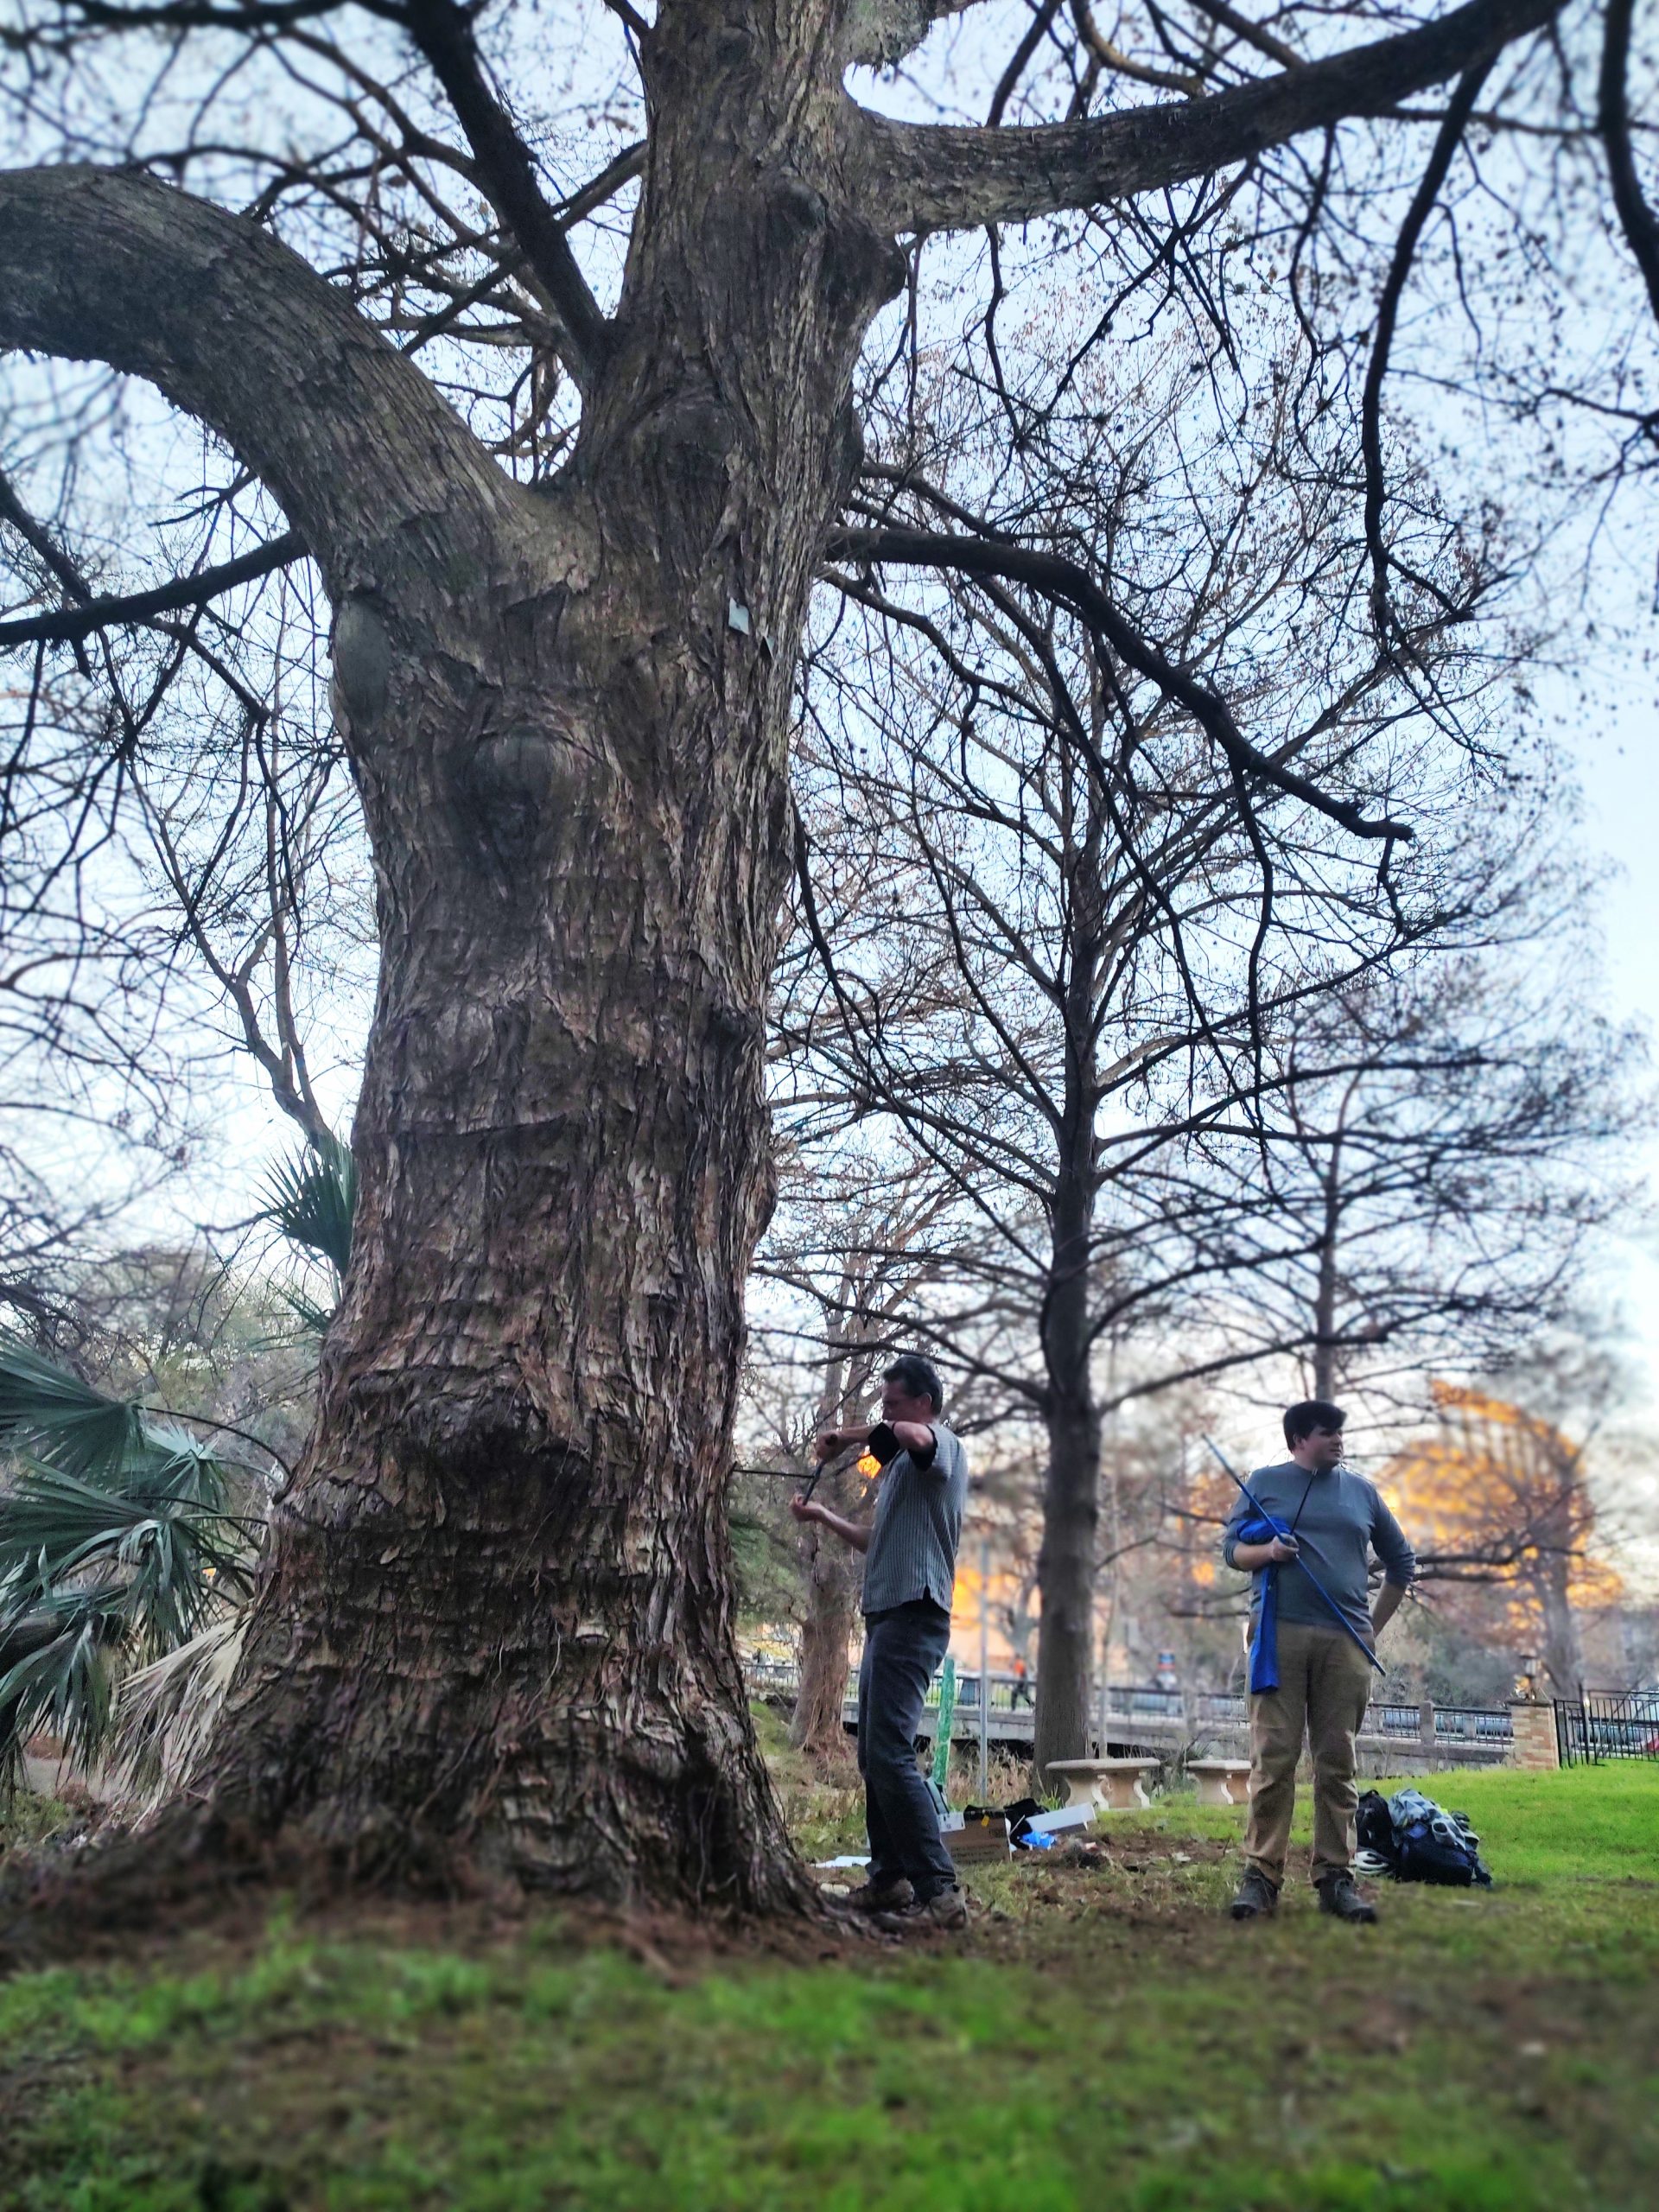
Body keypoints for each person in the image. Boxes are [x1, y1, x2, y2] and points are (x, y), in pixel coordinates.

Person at [791, 1353, 970, 1933]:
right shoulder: (901, 1474)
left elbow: (905, 1434)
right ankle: (889, 1878)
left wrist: (844, 1438)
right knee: (874, 1753)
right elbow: (875, 1539)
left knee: (889, 1752)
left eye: (892, 1403)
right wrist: (822, 1516)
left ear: (922, 1402)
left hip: (915, 1614)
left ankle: (939, 1892)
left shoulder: (941, 1446)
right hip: (888, 1615)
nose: (885, 1416)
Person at [1220, 1399, 1415, 1925]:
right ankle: (1261, 1877)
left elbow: (1402, 1562)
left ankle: (1336, 1878)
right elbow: (1232, 1550)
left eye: (1340, 1432)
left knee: (1338, 1763)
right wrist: (1269, 1555)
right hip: (1276, 1638)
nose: (1339, 1440)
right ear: (1299, 1438)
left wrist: (1371, 1630)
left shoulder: (1362, 1493)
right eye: (1328, 1432)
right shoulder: (1263, 1483)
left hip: (1345, 1642)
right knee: (1274, 1759)